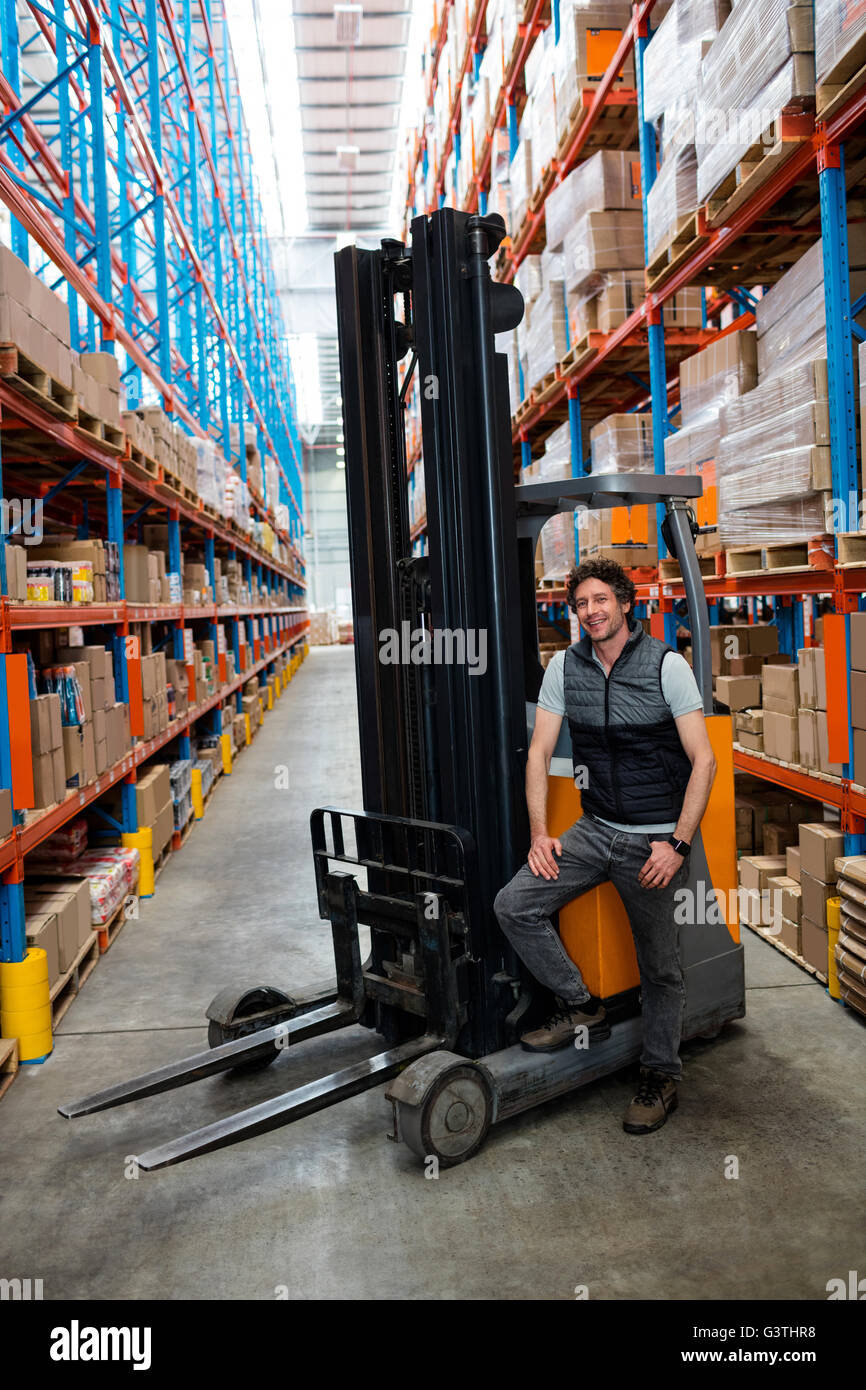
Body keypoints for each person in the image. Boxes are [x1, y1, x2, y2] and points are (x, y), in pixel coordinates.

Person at [494, 556, 717, 1134]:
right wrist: (540, 834)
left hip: (652, 841)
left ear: (624, 603)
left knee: (659, 968)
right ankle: (581, 1002)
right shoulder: (565, 669)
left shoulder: (666, 665)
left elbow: (704, 760)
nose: (591, 612)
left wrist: (677, 843)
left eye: (601, 600)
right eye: (581, 605)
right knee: (514, 905)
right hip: (595, 831)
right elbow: (539, 754)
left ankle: (661, 1074)